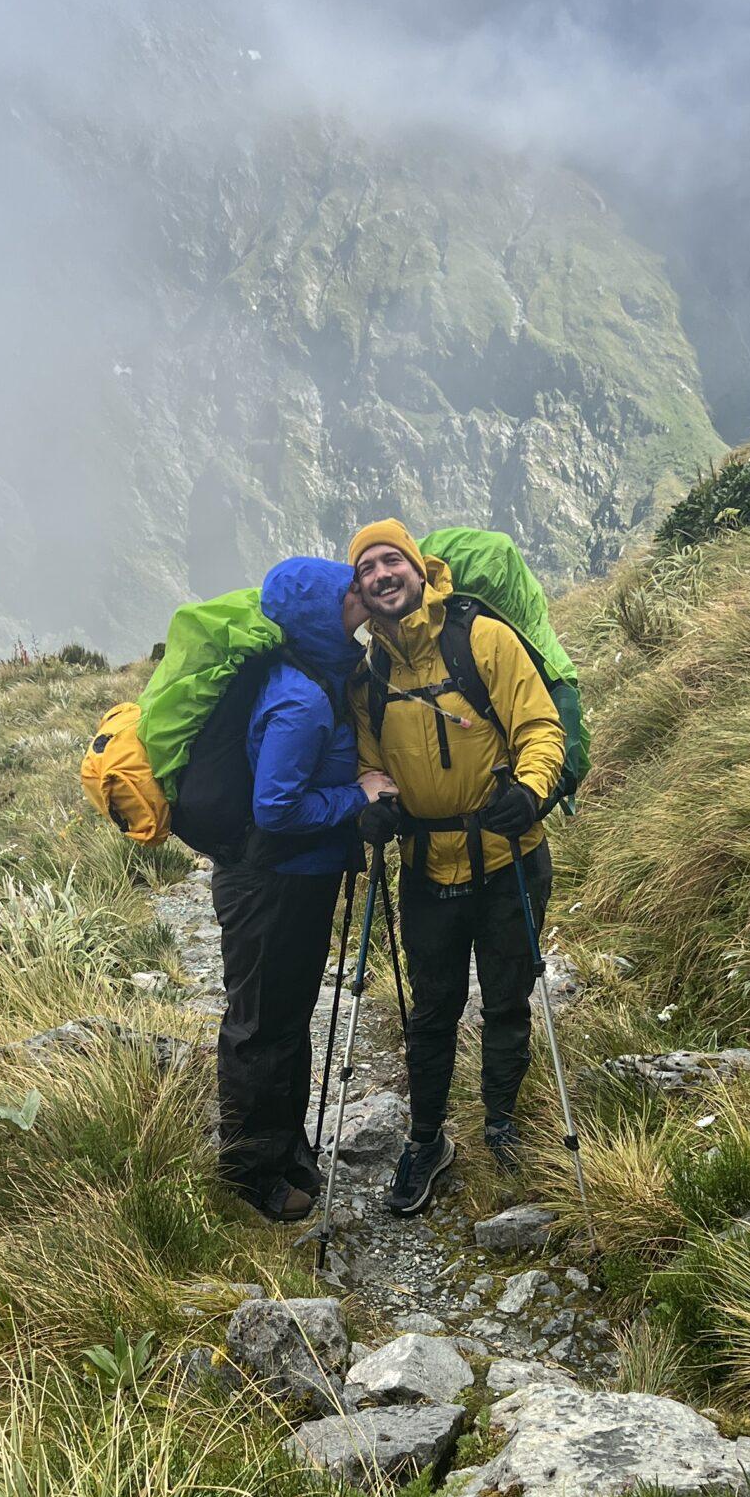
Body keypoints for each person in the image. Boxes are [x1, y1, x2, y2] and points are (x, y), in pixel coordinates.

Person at [347, 518, 566, 1215]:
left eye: (391, 560)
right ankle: (425, 1139)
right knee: (432, 1010)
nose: (381, 575)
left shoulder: (483, 639)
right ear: (360, 591)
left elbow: (539, 727)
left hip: (509, 856)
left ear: (419, 568)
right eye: (366, 569)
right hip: (426, 866)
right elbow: (368, 763)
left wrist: (530, 790)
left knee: (506, 997)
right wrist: (375, 801)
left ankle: (500, 1122)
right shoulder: (369, 676)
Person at [211, 557, 396, 1223]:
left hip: (296, 880)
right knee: (261, 1026)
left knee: (287, 1019)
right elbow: (276, 808)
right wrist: (357, 796)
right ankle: (251, 1175)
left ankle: (288, 1151)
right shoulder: (302, 699)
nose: (358, 599)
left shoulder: (319, 676)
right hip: (271, 885)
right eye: (346, 596)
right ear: (316, 613)